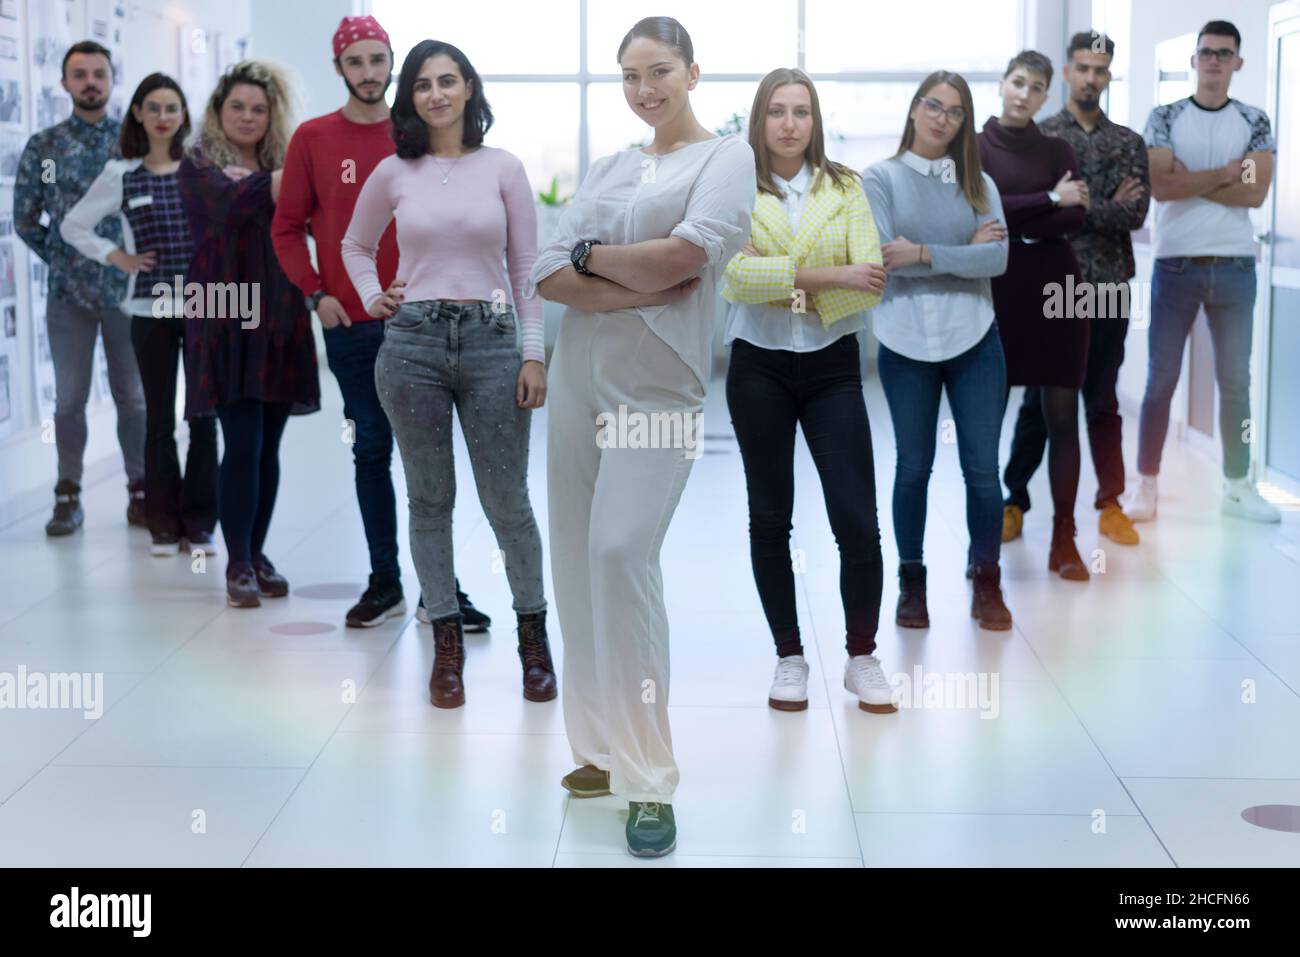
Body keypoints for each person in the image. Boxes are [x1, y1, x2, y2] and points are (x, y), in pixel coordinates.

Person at [531, 17, 754, 858]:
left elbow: (687, 261)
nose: (643, 89)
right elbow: (547, 271)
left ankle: (650, 778)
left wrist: (596, 262)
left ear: (694, 72)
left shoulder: (725, 156)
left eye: (658, 71)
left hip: (658, 385)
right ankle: (598, 749)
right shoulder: (607, 165)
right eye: (628, 75)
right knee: (577, 562)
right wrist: (625, 274)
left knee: (623, 554)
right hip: (581, 375)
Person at [341, 40, 554, 704]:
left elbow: (527, 270)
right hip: (413, 347)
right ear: (410, 98)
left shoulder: (504, 168)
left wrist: (533, 352)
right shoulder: (393, 172)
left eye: (447, 81)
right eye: (422, 84)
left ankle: (533, 638)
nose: (435, 93)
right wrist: (371, 295)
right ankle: (446, 643)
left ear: (468, 88)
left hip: (494, 344)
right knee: (430, 500)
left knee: (508, 503)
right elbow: (354, 243)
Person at [272, 16, 490, 629]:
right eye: (356, 62)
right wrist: (317, 295)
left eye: (378, 60)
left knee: (432, 459)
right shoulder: (313, 139)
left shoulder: (421, 135)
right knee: (372, 447)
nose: (369, 73)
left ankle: (439, 592)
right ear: (338, 67)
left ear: (392, 63)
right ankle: (384, 580)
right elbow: (287, 228)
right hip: (354, 322)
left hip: (431, 321)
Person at [721, 67, 893, 713]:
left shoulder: (844, 184)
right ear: (758, 119)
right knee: (770, 516)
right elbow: (735, 278)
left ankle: (862, 655)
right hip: (757, 364)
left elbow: (868, 279)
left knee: (857, 518)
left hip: (832, 362)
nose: (790, 124)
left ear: (815, 121)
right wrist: (829, 272)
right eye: (777, 111)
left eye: (801, 111)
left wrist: (790, 277)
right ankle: (788, 656)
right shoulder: (734, 187)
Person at [862, 70, 1014, 630]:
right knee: (913, 467)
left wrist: (923, 250)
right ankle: (912, 581)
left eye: (954, 111)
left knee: (981, 469)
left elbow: (995, 261)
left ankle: (987, 577)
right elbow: (884, 256)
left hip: (974, 337)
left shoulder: (979, 184)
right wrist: (957, 251)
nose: (942, 118)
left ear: (963, 123)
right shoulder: (880, 178)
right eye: (933, 105)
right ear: (914, 109)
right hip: (904, 340)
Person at [179, 61, 321, 607]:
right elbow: (226, 207)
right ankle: (236, 562)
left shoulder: (283, 162)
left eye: (258, 109)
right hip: (223, 315)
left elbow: (316, 220)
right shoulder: (198, 164)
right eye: (236, 106)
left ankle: (256, 554)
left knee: (269, 447)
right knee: (242, 442)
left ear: (272, 116)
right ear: (218, 111)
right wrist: (286, 181)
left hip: (281, 314)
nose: (247, 116)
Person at [1128, 19, 1279, 523]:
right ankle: (1146, 485)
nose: (1214, 60)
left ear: (1238, 62)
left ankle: (1237, 486)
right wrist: (1224, 174)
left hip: (1236, 265)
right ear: (1194, 61)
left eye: (1224, 53)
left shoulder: (1255, 121)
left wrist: (1188, 178)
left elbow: (1255, 193)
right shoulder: (1165, 117)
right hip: (1176, 265)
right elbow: (1162, 188)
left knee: (1236, 381)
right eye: (1207, 52)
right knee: (1161, 380)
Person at [1003, 32, 1150, 548]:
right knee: (1039, 402)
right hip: (1049, 285)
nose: (1092, 77)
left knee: (1102, 397)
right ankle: (1014, 500)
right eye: (1083, 67)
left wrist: (1073, 208)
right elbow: (1042, 214)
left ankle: (1110, 503)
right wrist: (1068, 208)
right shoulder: (1041, 138)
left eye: (1101, 69)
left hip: (1108, 285)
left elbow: (1134, 213)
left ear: (1109, 76)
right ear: (1065, 73)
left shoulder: (1128, 141)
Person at [61, 73, 218, 558]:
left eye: (172, 108)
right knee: (156, 419)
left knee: (202, 417)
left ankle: (200, 523)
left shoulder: (202, 167)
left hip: (204, 308)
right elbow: (73, 225)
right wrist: (116, 256)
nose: (164, 117)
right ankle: (163, 525)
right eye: (154, 108)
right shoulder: (121, 174)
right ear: (138, 114)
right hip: (148, 308)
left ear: (183, 114)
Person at [14, 40, 146, 536]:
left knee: (132, 395)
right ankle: (67, 493)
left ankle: (140, 489)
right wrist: (65, 258)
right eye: (80, 74)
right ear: (65, 83)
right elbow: (27, 218)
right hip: (68, 297)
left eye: (98, 73)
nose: (90, 81)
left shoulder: (131, 146)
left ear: (111, 81)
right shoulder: (45, 149)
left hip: (126, 293)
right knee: (68, 399)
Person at [978, 50, 1092, 581]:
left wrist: (1020, 214)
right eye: (1018, 82)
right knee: (986, 423)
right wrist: (1046, 197)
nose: (1025, 94)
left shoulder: (1059, 146)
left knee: (1063, 419)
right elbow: (981, 213)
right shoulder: (973, 148)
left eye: (1037, 87)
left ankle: (1064, 541)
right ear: (1003, 84)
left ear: (1047, 95)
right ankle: (985, 551)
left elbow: (1074, 218)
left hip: (1061, 293)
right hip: (998, 291)